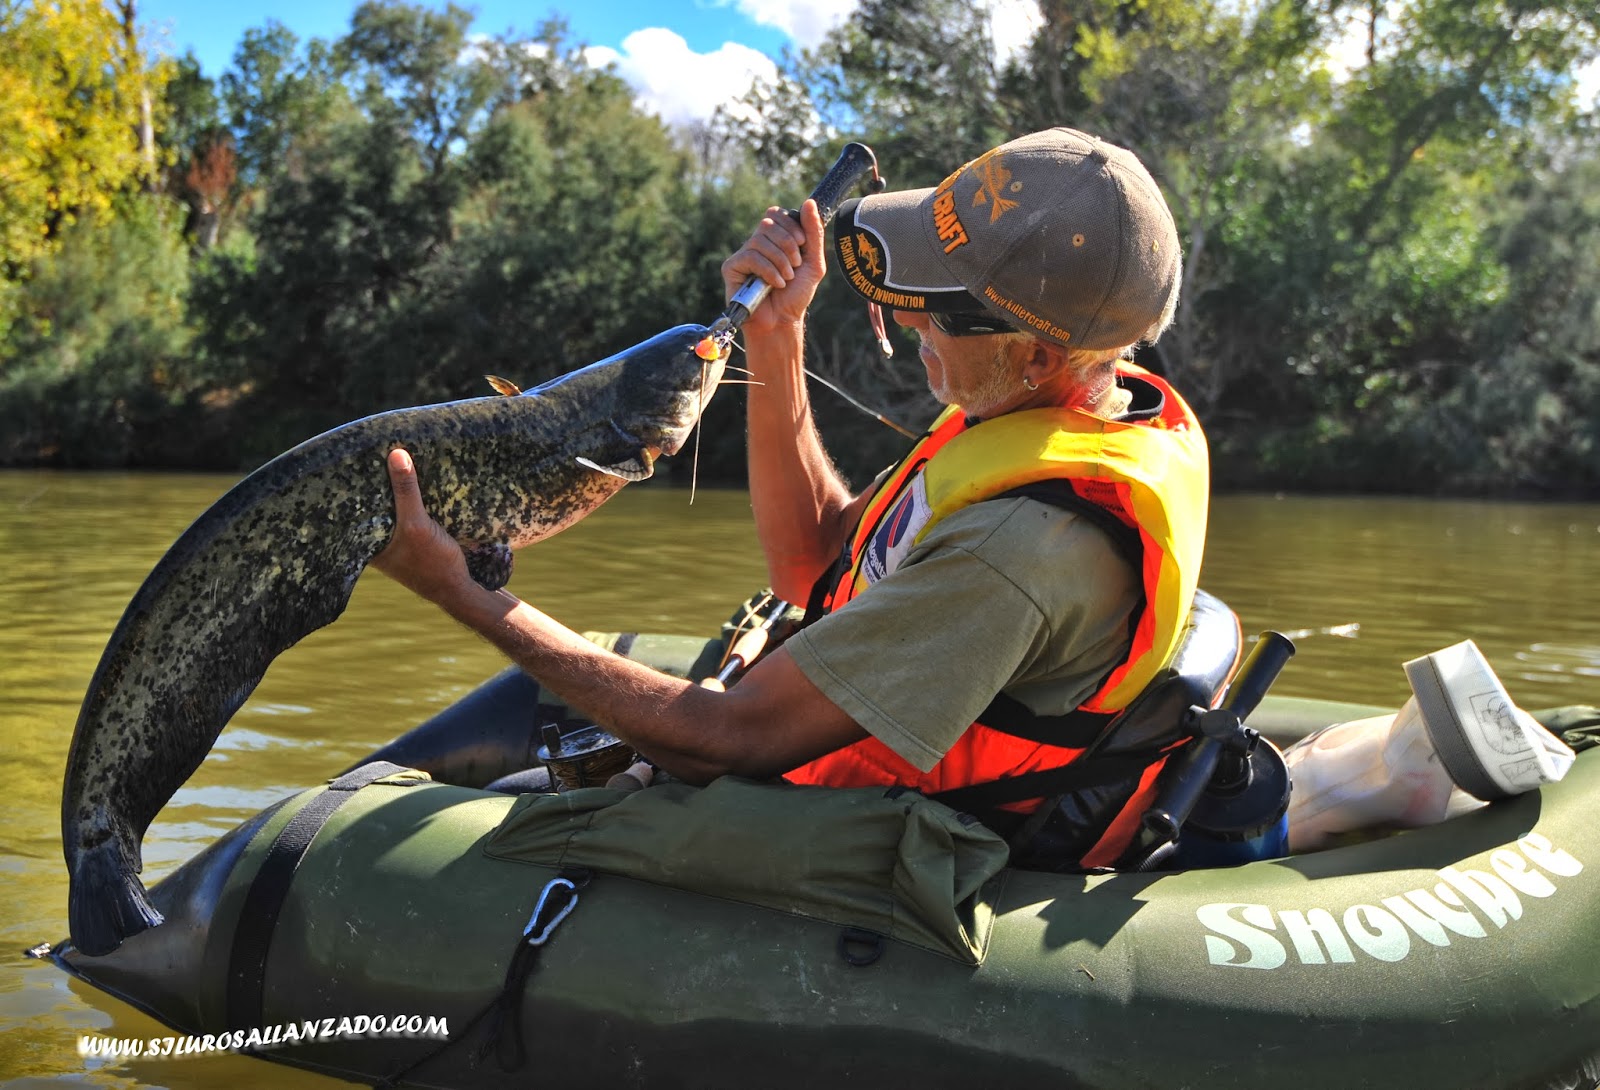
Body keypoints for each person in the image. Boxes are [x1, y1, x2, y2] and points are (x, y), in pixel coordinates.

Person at [374, 127, 1206, 871]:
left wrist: (463, 591)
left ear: (1035, 357)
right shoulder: (1046, 415)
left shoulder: (1020, 546)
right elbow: (816, 561)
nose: (908, 319)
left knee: (450, 847)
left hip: (862, 826)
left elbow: (730, 743)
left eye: (935, 308)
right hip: (808, 755)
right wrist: (778, 329)